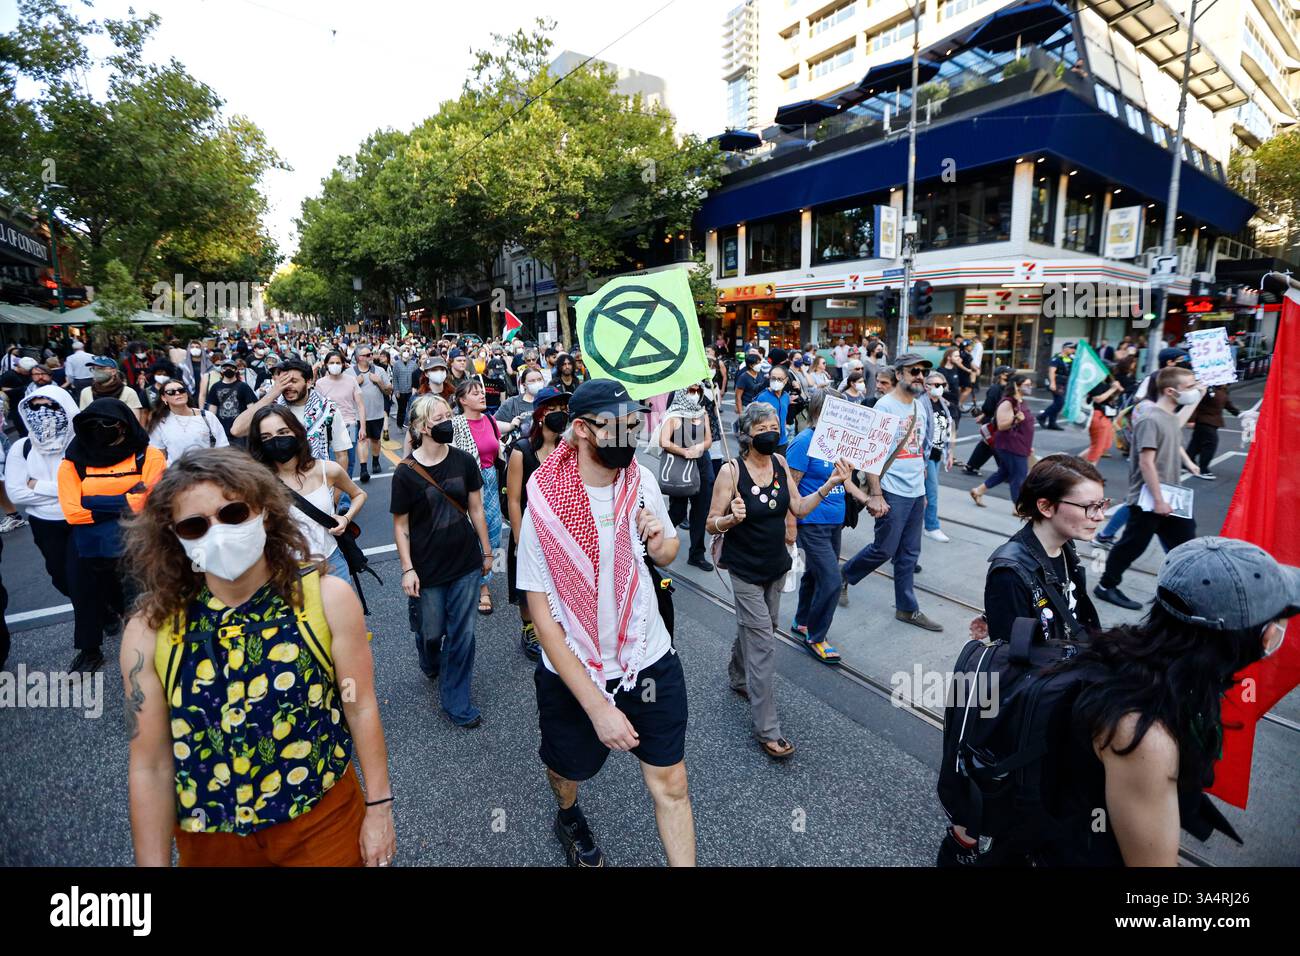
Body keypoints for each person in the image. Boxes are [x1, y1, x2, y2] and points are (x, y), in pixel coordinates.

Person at [119, 448, 395, 866]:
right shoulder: (149, 630)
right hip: (211, 838)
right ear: (174, 536)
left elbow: (361, 708)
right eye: (195, 525)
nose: (217, 531)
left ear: (265, 512)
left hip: (321, 822)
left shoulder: (326, 598)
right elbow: (150, 763)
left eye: (232, 514)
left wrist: (379, 809)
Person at [954, 536, 1296, 865]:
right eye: (1281, 617)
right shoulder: (1143, 735)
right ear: (1260, 635)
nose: (1282, 628)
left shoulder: (1132, 653)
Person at [518, 379, 692, 867]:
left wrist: (660, 544)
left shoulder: (642, 483)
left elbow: (668, 552)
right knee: (567, 769)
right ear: (581, 430)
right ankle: (568, 812)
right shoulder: (545, 508)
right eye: (618, 427)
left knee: (672, 783)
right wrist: (597, 708)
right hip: (576, 671)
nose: (630, 435)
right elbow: (541, 615)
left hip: (647, 658)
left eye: (635, 424)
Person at [710, 401, 853, 752]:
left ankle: (737, 675)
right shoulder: (731, 471)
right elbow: (710, 522)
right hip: (743, 569)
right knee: (763, 644)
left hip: (775, 566)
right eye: (761, 430)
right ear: (746, 436)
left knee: (762, 627)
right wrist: (730, 519)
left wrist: (830, 483)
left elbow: (799, 507)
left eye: (774, 427)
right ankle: (768, 730)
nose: (770, 434)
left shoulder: (781, 462)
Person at [393, 394, 493, 724]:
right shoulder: (406, 473)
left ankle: (456, 701)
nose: (448, 422)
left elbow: (476, 509)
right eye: (439, 418)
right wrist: (408, 568)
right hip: (427, 567)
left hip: (464, 561)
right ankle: (428, 654)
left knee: (462, 634)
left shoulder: (464, 460)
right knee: (432, 631)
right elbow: (401, 524)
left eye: (449, 415)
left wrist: (487, 550)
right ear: (421, 427)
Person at [58, 398, 166, 671]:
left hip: (136, 542)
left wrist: (92, 501)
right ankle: (89, 650)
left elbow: (148, 502)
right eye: (94, 424)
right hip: (89, 546)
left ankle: (142, 659)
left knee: (139, 599)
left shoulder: (148, 455)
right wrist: (126, 500)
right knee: (86, 596)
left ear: (124, 425)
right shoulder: (73, 461)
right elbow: (72, 511)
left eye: (109, 423)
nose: (101, 429)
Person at [842, 354, 943, 631]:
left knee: (910, 553)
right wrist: (876, 494)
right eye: (914, 371)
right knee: (884, 549)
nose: (920, 376)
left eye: (923, 372)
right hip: (891, 490)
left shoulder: (919, 407)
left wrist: (922, 493)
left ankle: (907, 608)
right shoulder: (885, 407)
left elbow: (919, 452)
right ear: (899, 374)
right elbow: (872, 456)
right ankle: (844, 575)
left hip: (914, 491)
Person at [1095, 367, 1202, 610]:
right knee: (1133, 545)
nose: (1193, 390)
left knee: (1185, 546)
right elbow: (1146, 462)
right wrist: (1159, 500)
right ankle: (1105, 586)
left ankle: (1182, 592)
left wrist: (1188, 463)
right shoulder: (1150, 418)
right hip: (1150, 499)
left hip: (1172, 496)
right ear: (1170, 391)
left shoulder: (1169, 417)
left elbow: (1174, 435)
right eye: (1189, 387)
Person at [784, 389, 863, 665]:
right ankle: (816, 637)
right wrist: (791, 526)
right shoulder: (804, 441)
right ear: (820, 411)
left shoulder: (838, 442)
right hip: (812, 522)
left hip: (833, 522)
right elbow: (791, 487)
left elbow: (843, 479)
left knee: (814, 575)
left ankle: (802, 620)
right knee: (831, 579)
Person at [248, 407, 366, 583]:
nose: (276, 441)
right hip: (286, 573)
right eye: (266, 437)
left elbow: (359, 494)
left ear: (296, 432)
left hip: (332, 565)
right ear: (259, 443)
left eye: (283, 432)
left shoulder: (326, 469)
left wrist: (346, 518)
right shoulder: (258, 484)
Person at [4, 386, 81, 639]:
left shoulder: (82, 442)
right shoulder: (22, 448)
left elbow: (85, 487)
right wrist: (62, 490)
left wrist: (38, 485)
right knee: (59, 576)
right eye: (36, 407)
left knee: (86, 575)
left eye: (50, 406)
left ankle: (95, 623)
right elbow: (16, 494)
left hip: (80, 518)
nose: (43, 413)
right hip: (45, 523)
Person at [505, 387, 569, 661]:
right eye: (552, 410)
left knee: (558, 580)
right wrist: (520, 539)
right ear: (540, 415)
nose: (559, 415)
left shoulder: (569, 449)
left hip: (561, 529)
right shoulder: (522, 451)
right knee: (528, 585)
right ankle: (530, 628)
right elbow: (514, 500)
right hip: (529, 530)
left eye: (562, 409)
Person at [230, 360, 352, 468]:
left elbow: (341, 455)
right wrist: (273, 392)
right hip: (279, 484)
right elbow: (237, 430)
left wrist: (335, 493)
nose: (288, 386)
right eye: (284, 381)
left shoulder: (328, 410)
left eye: (293, 381)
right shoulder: (272, 406)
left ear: (309, 382)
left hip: (318, 482)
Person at [451, 379, 504, 616]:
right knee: (472, 531)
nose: (482, 395)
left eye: (482, 392)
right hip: (468, 484)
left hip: (491, 481)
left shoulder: (490, 421)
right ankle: (482, 588)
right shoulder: (455, 424)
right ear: (462, 400)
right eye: (475, 394)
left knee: (494, 532)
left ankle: (487, 573)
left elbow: (498, 449)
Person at [658, 382, 715, 572]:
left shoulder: (702, 412)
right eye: (691, 390)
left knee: (701, 511)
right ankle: (656, 541)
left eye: (698, 391)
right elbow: (664, 441)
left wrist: (700, 447)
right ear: (682, 392)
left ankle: (696, 554)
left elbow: (708, 439)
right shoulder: (674, 414)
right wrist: (683, 451)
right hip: (680, 467)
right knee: (678, 511)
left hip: (702, 466)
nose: (695, 394)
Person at [971, 374, 1035, 511]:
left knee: (1004, 472)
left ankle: (978, 491)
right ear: (1017, 385)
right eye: (1027, 384)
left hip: (1021, 445)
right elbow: (1001, 425)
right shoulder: (1008, 402)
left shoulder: (1021, 401)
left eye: (1030, 385)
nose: (1030, 387)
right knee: (1019, 475)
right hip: (1011, 445)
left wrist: (1028, 445)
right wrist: (1015, 420)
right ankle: (1018, 506)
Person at [148, 380, 228, 463]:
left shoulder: (207, 416)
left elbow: (222, 447)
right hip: (177, 473)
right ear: (163, 397)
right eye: (171, 392)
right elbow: (159, 457)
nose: (178, 393)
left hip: (207, 471)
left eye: (181, 390)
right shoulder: (160, 423)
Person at [314, 352, 365, 479]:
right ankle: (339, 495)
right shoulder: (320, 383)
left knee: (350, 461)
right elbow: (318, 408)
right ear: (326, 365)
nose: (335, 365)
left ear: (343, 364)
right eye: (331, 363)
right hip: (329, 427)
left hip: (350, 425)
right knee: (334, 462)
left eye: (338, 362)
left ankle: (345, 492)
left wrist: (363, 427)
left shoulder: (351, 380)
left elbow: (360, 405)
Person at [923, 371, 955, 543]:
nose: (940, 388)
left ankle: (924, 522)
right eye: (936, 385)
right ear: (926, 386)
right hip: (925, 456)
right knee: (932, 493)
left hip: (937, 454)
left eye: (942, 385)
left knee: (926, 493)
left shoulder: (943, 403)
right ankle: (931, 526)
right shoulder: (921, 404)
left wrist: (950, 452)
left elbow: (949, 429)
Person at [962, 365, 1012, 476]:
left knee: (988, 444)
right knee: (997, 444)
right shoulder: (995, 389)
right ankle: (1006, 472)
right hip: (995, 421)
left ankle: (971, 466)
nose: (1011, 375)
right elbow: (988, 407)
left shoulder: (1008, 388)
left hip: (999, 420)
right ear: (1002, 375)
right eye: (1008, 373)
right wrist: (985, 415)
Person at [352, 346, 391, 483]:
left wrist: (379, 382)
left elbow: (389, 391)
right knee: (361, 440)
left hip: (376, 413)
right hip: (356, 415)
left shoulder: (379, 371)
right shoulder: (349, 372)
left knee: (375, 440)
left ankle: (375, 461)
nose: (371, 356)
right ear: (359, 357)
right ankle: (363, 469)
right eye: (367, 354)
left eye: (371, 354)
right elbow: (343, 394)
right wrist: (355, 383)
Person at [1185, 383, 1239, 480]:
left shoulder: (1223, 389)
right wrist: (1191, 419)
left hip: (1213, 421)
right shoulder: (1207, 388)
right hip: (1203, 420)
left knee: (1196, 443)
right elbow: (1196, 403)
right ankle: (1203, 469)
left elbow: (1227, 404)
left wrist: (1240, 414)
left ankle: (1186, 463)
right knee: (1210, 444)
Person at [204, 360, 258, 444]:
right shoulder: (215, 387)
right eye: (225, 368)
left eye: (231, 368)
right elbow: (212, 410)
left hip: (240, 431)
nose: (228, 370)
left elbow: (251, 409)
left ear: (236, 370)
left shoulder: (243, 386)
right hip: (221, 430)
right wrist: (210, 427)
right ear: (221, 370)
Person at [80, 356, 145, 424]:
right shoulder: (86, 392)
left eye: (101, 368)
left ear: (113, 371)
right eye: (93, 368)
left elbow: (134, 422)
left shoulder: (128, 392)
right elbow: (83, 420)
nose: (96, 371)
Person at [495, 365, 545, 445]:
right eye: (532, 381)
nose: (536, 383)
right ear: (524, 384)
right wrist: (510, 426)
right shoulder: (512, 403)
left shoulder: (549, 401)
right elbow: (494, 425)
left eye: (539, 379)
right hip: (520, 451)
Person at [751, 365, 791, 455]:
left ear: (786, 380)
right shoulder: (762, 398)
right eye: (773, 378)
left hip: (782, 442)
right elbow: (753, 422)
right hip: (766, 442)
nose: (776, 381)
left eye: (780, 379)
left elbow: (784, 416)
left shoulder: (786, 397)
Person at [1084, 373, 1123, 464]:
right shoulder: (1095, 384)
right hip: (1098, 416)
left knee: (1103, 446)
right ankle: (1089, 473)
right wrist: (1113, 389)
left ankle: (1075, 463)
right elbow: (1098, 399)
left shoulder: (1105, 384)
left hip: (1105, 417)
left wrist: (1116, 389)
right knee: (1097, 448)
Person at [1038, 342, 1075, 431]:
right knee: (1060, 402)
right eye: (1071, 348)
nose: (1073, 350)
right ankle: (1042, 416)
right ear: (1065, 348)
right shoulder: (1057, 358)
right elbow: (1052, 371)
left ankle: (1052, 423)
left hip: (1064, 383)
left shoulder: (1071, 358)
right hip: (1057, 382)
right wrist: (1052, 383)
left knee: (1057, 403)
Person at [390, 345, 420, 429]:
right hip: (401, 390)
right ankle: (400, 424)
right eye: (404, 350)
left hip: (411, 390)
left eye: (408, 350)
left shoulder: (414, 364)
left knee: (411, 408)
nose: (406, 352)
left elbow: (416, 377)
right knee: (401, 408)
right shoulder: (397, 364)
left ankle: (409, 424)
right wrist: (396, 390)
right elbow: (395, 378)